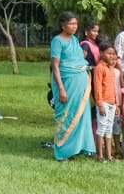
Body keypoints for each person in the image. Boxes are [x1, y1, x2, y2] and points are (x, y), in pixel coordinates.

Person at [49, 11, 95, 161]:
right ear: (63, 25)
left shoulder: (75, 40)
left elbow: (79, 58)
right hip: (66, 84)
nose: (75, 27)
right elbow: (55, 66)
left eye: (76, 24)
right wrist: (61, 89)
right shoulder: (57, 41)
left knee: (81, 116)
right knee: (65, 116)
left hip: (80, 84)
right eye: (71, 24)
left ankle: (77, 148)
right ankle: (62, 151)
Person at [92, 46, 121, 162]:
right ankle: (100, 155)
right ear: (102, 53)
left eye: (113, 54)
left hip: (112, 102)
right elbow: (97, 87)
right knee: (102, 127)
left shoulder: (111, 68)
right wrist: (100, 104)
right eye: (109, 53)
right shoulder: (99, 68)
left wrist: (117, 103)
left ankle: (109, 156)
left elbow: (114, 86)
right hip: (103, 102)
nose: (111, 56)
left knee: (109, 128)